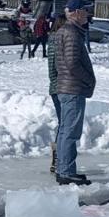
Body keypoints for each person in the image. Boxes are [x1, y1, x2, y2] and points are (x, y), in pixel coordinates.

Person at [52, 0, 96, 186]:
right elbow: (72, 63)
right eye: (85, 10)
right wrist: (88, 80)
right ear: (77, 13)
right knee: (70, 132)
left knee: (65, 131)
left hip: (67, 87)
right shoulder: (70, 33)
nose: (88, 14)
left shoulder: (67, 31)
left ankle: (64, 169)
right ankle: (66, 171)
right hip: (72, 88)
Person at [46, 14, 65, 174]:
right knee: (64, 123)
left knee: (63, 123)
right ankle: (58, 155)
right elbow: (53, 70)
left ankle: (58, 154)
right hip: (60, 88)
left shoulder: (54, 41)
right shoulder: (56, 42)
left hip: (58, 87)